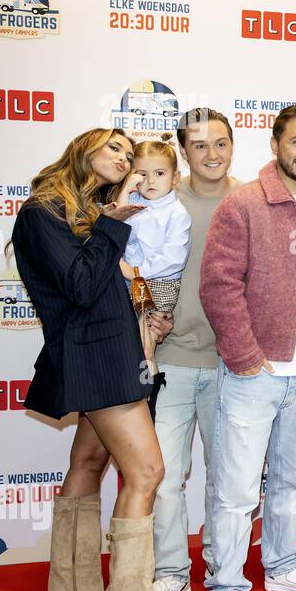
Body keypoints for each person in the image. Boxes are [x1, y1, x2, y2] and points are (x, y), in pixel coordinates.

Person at [10, 127, 168, 591]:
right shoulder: (42, 211)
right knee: (146, 473)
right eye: (115, 148)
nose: (125, 159)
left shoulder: (90, 210)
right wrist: (111, 226)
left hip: (112, 349)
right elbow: (77, 287)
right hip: (94, 358)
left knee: (89, 460)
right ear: (84, 150)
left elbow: (97, 282)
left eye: (130, 154)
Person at [198, 102, 296, 591]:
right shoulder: (245, 204)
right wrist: (244, 353)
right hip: (254, 373)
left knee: (288, 481)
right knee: (234, 491)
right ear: (276, 144)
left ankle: (281, 564)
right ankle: (225, 588)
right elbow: (219, 284)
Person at [149, 108, 241, 591]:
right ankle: (169, 575)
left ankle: (221, 575)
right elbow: (131, 270)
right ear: (183, 152)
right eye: (200, 145)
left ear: (233, 146)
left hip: (235, 365)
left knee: (228, 479)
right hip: (171, 361)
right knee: (164, 477)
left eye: (220, 143)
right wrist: (145, 314)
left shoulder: (251, 200)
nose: (212, 154)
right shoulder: (158, 200)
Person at [120, 138, 191, 418]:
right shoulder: (134, 201)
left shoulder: (176, 213)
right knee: (132, 340)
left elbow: (173, 258)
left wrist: (134, 272)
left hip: (158, 285)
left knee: (145, 340)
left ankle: (146, 395)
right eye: (141, 174)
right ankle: (134, 391)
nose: (150, 181)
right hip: (133, 283)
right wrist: (126, 189)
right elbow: (118, 220)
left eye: (159, 174)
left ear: (175, 177)